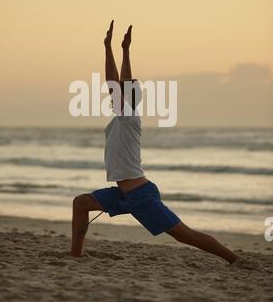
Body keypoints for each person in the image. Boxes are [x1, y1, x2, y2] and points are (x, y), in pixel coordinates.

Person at [71, 20, 237, 264]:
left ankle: (233, 259)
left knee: (184, 235)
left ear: (128, 99)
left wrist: (111, 49)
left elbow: (116, 83)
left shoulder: (129, 116)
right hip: (123, 194)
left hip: (141, 195)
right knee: (81, 202)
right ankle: (75, 255)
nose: (114, 94)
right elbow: (121, 84)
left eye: (121, 94)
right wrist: (122, 49)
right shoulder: (120, 118)